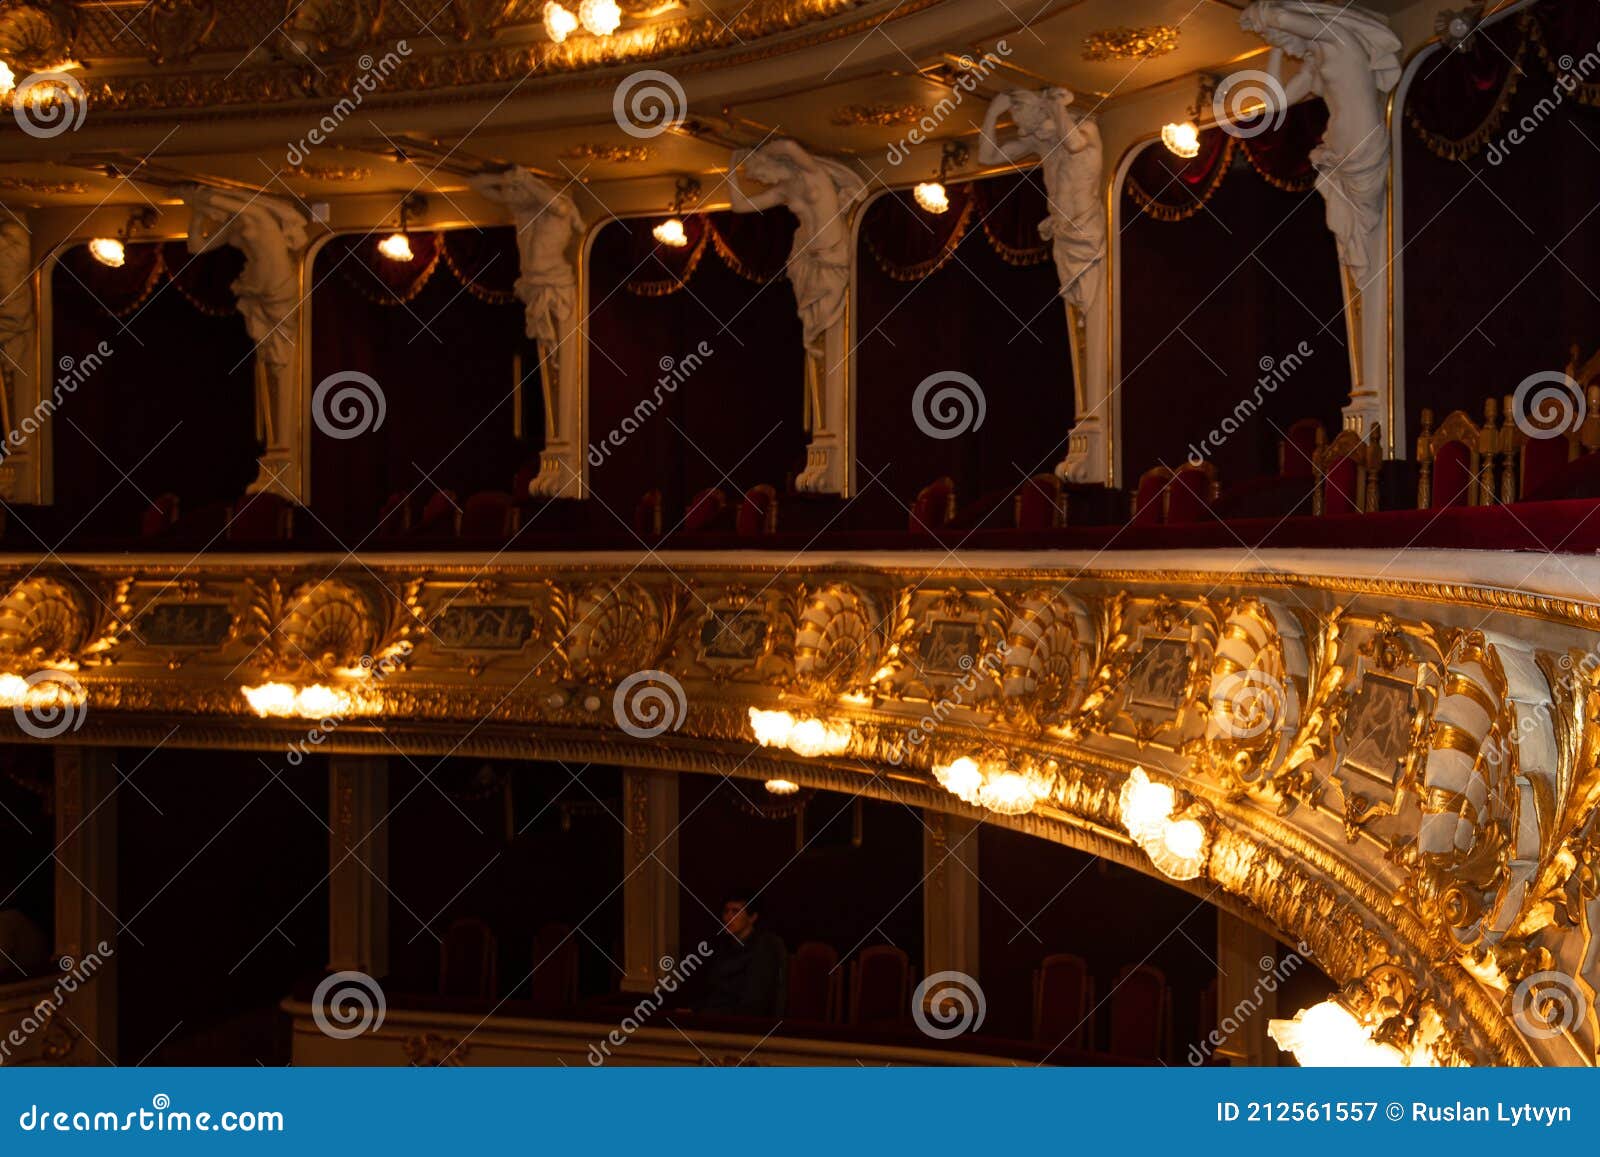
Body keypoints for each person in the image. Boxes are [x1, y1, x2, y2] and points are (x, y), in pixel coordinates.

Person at [697, 890, 787, 1017]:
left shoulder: (765, 946)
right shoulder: (721, 945)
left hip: (743, 1022)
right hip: (714, 1016)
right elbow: (711, 989)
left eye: (735, 911)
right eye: (726, 911)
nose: (728, 917)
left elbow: (755, 1000)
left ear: (752, 917)